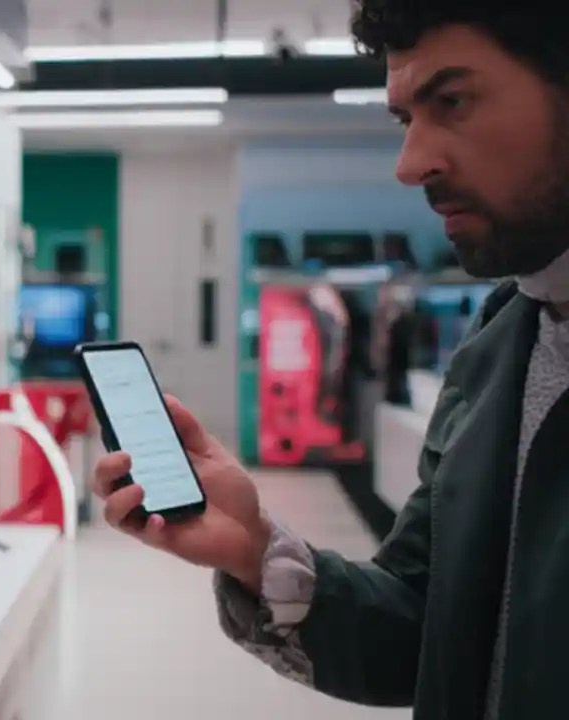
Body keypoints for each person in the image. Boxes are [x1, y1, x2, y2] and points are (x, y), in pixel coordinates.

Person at [92, 2, 569, 719]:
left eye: (454, 101)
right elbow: (426, 620)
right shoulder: (503, 338)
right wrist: (256, 550)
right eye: (406, 120)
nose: (410, 165)